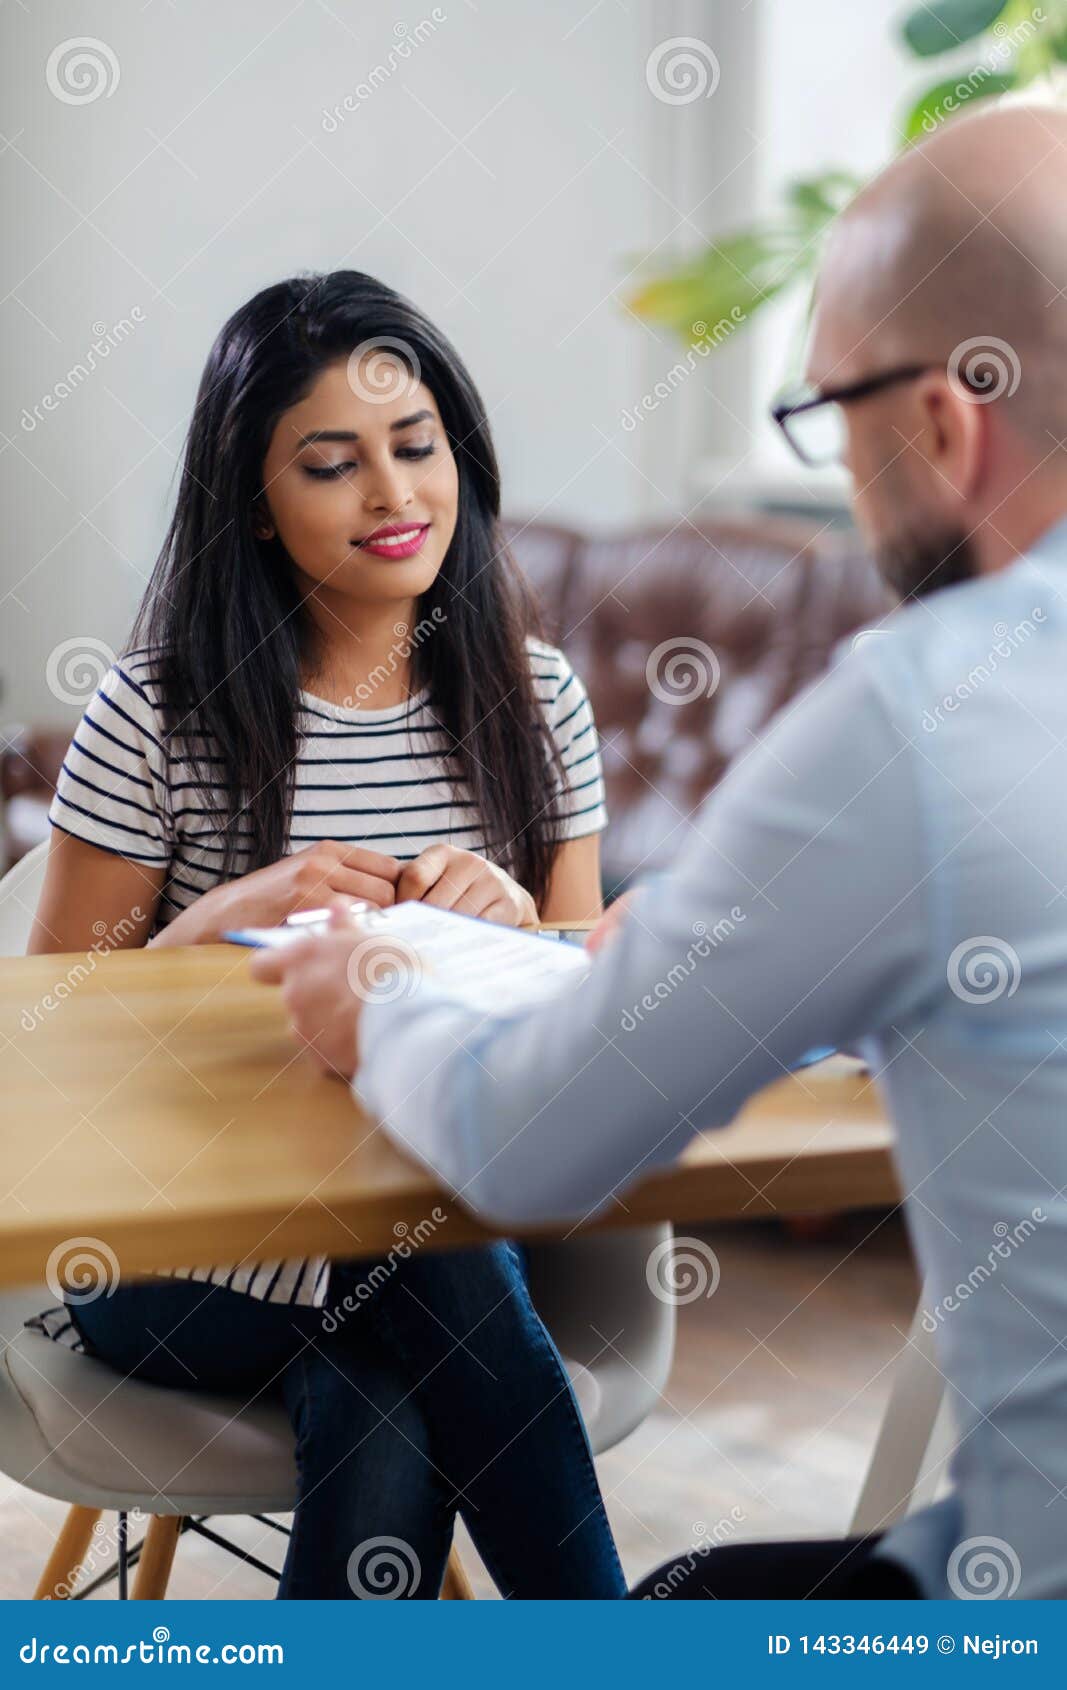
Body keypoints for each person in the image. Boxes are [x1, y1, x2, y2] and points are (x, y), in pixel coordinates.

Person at [251, 104, 1067, 1601]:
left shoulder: (925, 708)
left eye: (834, 415)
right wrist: (707, 946)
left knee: (679, 1609)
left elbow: (533, 1137)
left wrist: (379, 1006)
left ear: (947, 422)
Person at [26, 271, 626, 1599]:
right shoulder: (159, 713)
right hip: (176, 1249)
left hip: (453, 1218)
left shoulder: (535, 698)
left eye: (417, 448)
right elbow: (44, 1048)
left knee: (383, 1374)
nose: (394, 496)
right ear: (254, 497)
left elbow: (594, 1017)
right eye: (332, 465)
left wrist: (527, 925)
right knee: (418, 1267)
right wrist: (218, 918)